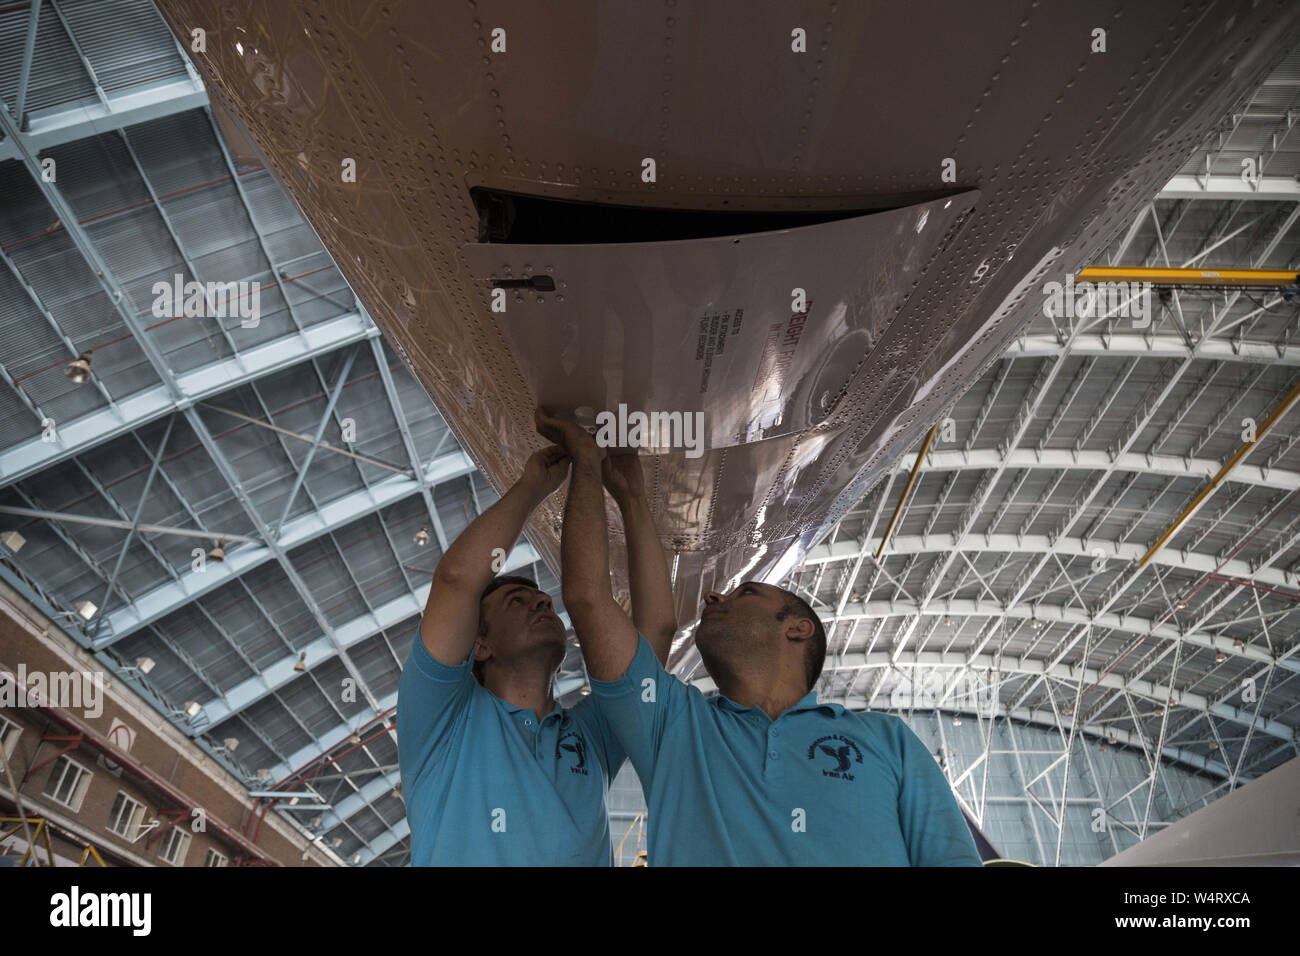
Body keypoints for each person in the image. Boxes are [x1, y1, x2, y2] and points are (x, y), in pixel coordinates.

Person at [536, 407, 981, 866]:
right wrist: (597, 473)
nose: (712, 596)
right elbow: (589, 599)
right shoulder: (673, 726)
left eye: (745, 591)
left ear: (797, 627)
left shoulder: (887, 741)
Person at [397, 444, 675, 865]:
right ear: (480, 645)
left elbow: (656, 630)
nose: (544, 603)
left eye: (545, 600)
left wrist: (632, 497)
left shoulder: (593, 734)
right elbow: (456, 580)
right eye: (516, 601)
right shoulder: (442, 717)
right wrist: (533, 487)